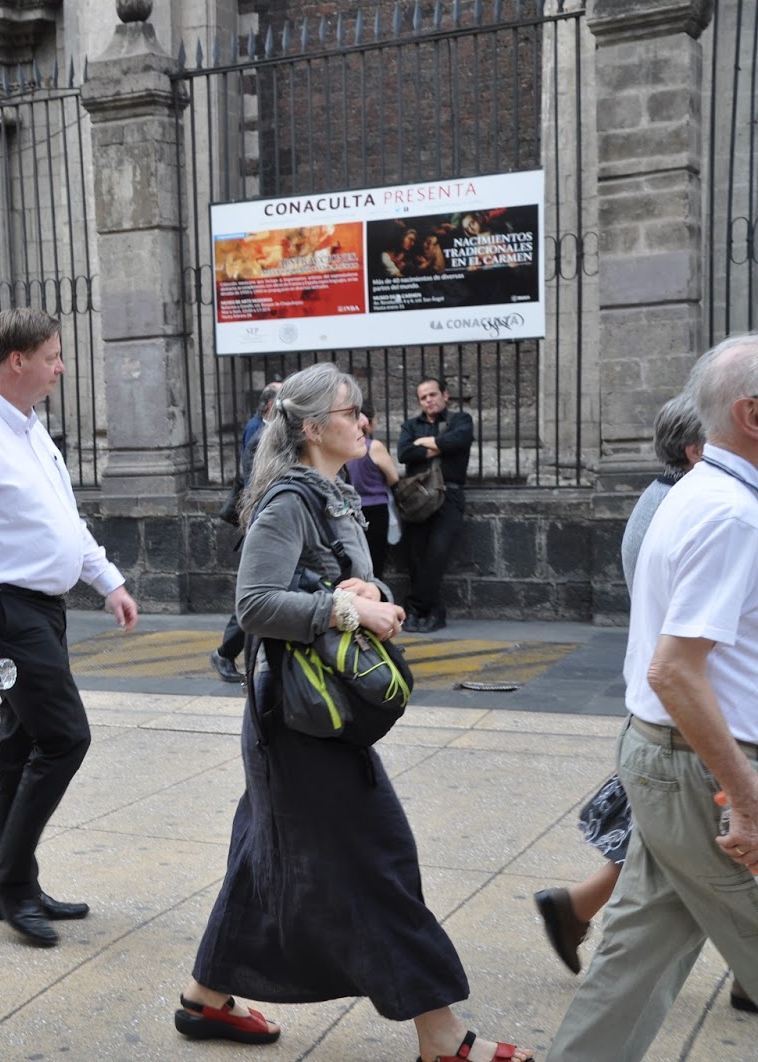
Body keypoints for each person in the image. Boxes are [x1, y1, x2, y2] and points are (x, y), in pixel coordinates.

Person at [176, 363, 533, 1062]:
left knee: (260, 851)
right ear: (314, 428)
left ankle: (205, 999)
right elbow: (253, 606)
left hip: (305, 719)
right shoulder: (290, 500)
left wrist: (362, 587)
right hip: (299, 724)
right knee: (380, 858)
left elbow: (321, 578)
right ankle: (442, 1037)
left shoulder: (331, 493)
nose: (364, 421)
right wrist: (350, 608)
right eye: (351, 411)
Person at [551, 335, 758, 1061]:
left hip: (673, 762)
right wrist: (746, 794)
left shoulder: (701, 491)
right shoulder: (732, 513)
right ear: (752, 414)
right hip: (704, 770)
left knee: (633, 966)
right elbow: (676, 670)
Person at [0, 306, 138, 948]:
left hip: (41, 609)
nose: (60, 367)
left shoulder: (29, 428)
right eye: (51, 356)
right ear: (16, 360)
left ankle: (14, 879)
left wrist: (107, 580)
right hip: (5, 610)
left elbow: (62, 519)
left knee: (22, 747)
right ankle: (11, 885)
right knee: (65, 738)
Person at [535, 394, 707, 979]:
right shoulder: (686, 506)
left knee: (681, 834)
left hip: (672, 698)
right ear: (696, 449)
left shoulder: (662, 499)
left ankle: (577, 906)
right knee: (682, 831)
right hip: (684, 702)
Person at [212, 381, 281, 684]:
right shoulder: (259, 436)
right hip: (263, 525)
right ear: (271, 407)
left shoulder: (269, 432)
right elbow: (257, 483)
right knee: (256, 596)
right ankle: (227, 653)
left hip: (268, 523)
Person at [397, 376, 474, 632]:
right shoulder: (411, 425)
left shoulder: (460, 420)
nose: (428, 400)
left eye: (432, 394)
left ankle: (417, 606)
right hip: (417, 497)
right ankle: (430, 611)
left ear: (445, 395)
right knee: (417, 556)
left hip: (449, 495)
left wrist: (426, 444)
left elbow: (458, 440)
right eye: (423, 397)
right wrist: (440, 446)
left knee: (437, 554)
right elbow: (404, 453)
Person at [344, 402, 400, 581]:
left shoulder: (345, 447)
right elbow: (393, 477)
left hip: (352, 508)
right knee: (376, 562)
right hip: (376, 507)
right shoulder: (373, 446)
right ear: (368, 422)